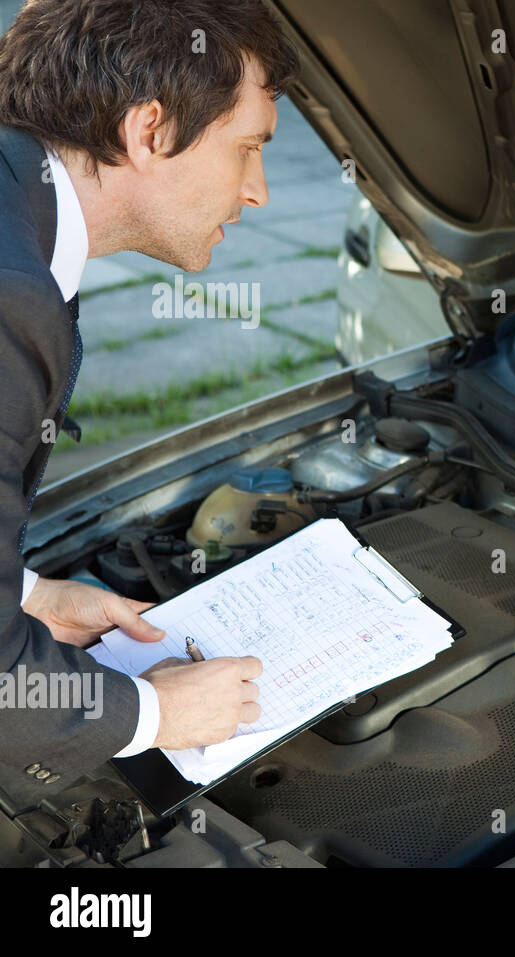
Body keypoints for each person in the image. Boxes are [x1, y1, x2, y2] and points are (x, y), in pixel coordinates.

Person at [0, 0, 300, 780]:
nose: (259, 189)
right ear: (150, 131)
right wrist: (158, 712)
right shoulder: (9, 301)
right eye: (249, 148)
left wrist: (25, 595)